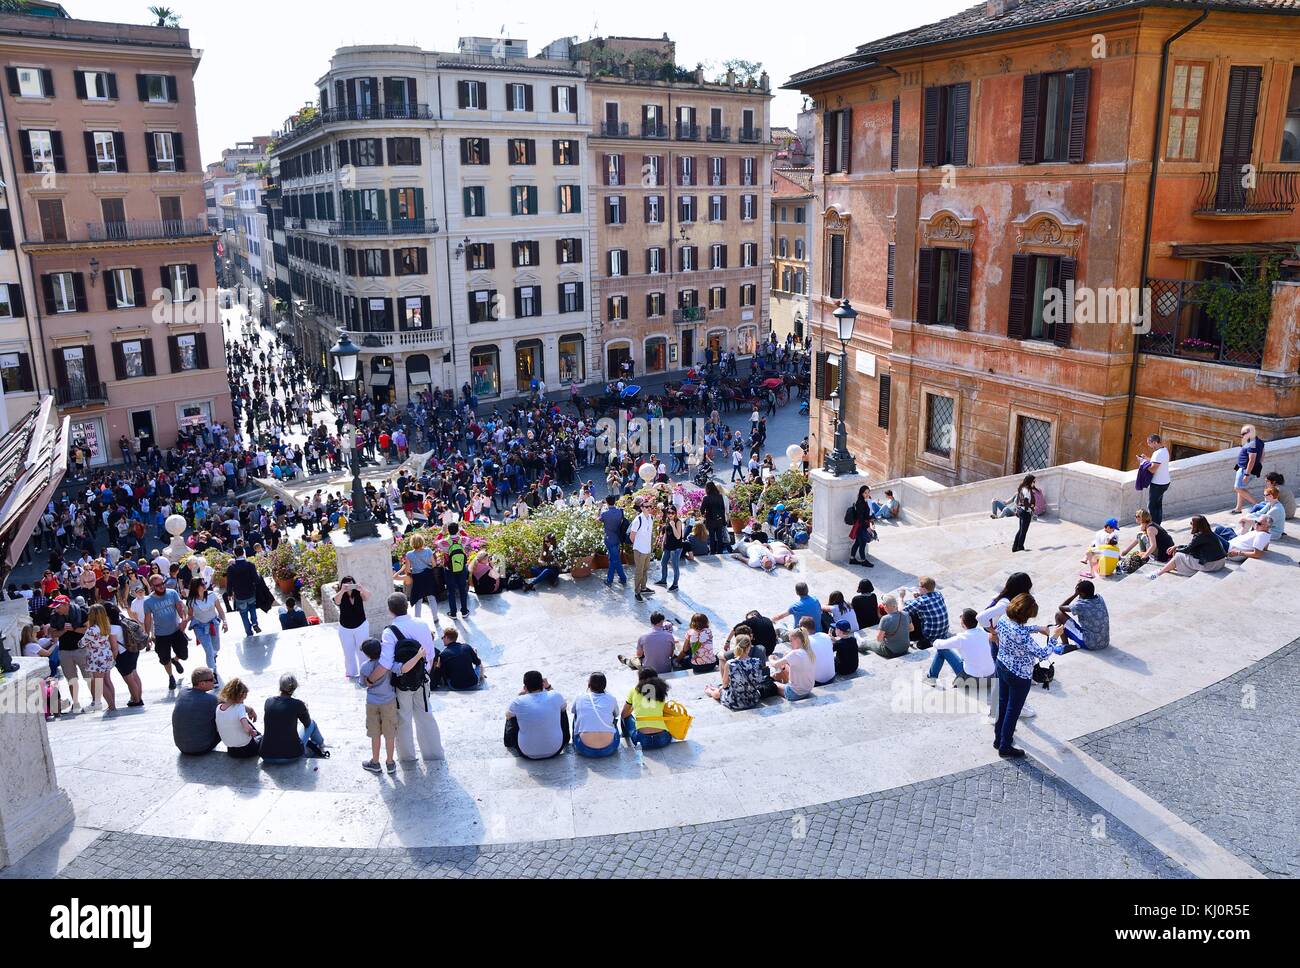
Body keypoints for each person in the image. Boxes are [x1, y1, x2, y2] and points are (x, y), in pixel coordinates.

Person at [378, 593, 445, 761]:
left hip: (401, 683)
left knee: (403, 720)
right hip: (422, 680)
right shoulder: (422, 624)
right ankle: (434, 754)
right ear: (407, 606)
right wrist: (424, 672)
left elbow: (386, 663)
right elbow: (429, 654)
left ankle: (407, 757)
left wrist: (371, 679)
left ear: (390, 610)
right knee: (426, 716)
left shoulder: (389, 632)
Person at [993, 594, 1055, 758]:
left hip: (1002, 665)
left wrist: (1036, 628)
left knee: (1003, 704)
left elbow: (1016, 630)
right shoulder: (1021, 634)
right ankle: (1005, 747)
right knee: (1013, 711)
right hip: (1019, 675)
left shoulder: (1004, 620)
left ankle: (998, 739)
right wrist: (1054, 638)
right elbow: (1043, 654)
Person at [260, 673, 327, 763]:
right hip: (290, 755)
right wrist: (304, 709)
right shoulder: (298, 704)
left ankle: (317, 745)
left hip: (266, 755)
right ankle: (321, 744)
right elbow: (307, 723)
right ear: (294, 688)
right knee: (312, 723)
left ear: (280, 686)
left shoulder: (268, 701)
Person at [505, 670, 569, 760]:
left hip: (526, 752)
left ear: (525, 687)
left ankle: (509, 743)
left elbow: (508, 715)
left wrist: (519, 695)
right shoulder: (555, 695)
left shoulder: (518, 701)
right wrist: (549, 687)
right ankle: (566, 739)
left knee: (511, 715)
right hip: (556, 749)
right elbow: (563, 706)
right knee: (561, 709)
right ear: (542, 684)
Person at [142, 573, 188, 692]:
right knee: (164, 658)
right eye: (158, 585)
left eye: (163, 583)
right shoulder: (148, 601)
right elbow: (148, 619)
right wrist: (147, 635)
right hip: (161, 635)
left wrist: (183, 620)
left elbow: (179, 607)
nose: (161, 586)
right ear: (152, 586)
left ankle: (176, 660)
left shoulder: (172, 593)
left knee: (184, 654)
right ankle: (171, 677)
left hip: (176, 630)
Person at [359, 639, 399, 774]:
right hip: (389, 701)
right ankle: (390, 763)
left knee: (375, 734)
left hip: (372, 703)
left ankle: (375, 762)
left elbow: (363, 684)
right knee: (389, 734)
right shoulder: (387, 663)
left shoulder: (365, 667)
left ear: (366, 654)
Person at [1149, 515, 1226, 580]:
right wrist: (1177, 546)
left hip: (1212, 565)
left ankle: (1159, 573)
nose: (1190, 525)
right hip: (1221, 562)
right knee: (1182, 555)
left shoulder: (1199, 535)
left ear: (1197, 525)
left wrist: (1176, 549)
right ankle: (1171, 567)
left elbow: (1188, 549)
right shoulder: (1209, 533)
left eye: (1191, 523)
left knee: (1178, 556)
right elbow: (1192, 546)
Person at [48, 595, 90, 713]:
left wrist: (73, 629)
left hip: (81, 649)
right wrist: (64, 630)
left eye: (58, 607)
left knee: (89, 677)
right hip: (64, 651)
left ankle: (95, 701)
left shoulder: (81, 612)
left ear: (66, 605)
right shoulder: (54, 617)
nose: (56, 610)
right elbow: (54, 634)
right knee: (71, 679)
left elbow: (88, 630)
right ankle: (75, 703)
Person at [706, 634, 765, 710]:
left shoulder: (730, 663)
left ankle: (710, 691)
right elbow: (759, 681)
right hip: (753, 700)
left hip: (735, 702)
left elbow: (725, 684)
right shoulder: (757, 661)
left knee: (719, 692)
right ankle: (713, 689)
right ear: (749, 647)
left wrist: (722, 687)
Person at [172, 667, 221, 755]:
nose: (214, 680)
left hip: (181, 747)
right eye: (211, 679)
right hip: (201, 748)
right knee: (229, 714)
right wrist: (248, 709)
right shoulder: (210, 699)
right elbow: (229, 706)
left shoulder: (182, 692)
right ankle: (247, 743)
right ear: (202, 683)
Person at [1051, 581, 1110, 654]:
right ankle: (1077, 644)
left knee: (1058, 615)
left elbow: (1061, 607)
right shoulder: (1100, 598)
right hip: (1104, 641)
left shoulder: (1080, 605)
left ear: (1081, 593)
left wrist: (1075, 594)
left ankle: (1065, 645)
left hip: (1090, 643)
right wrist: (1080, 591)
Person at [186, 578, 228, 680]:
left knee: (216, 647)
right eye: (202, 584)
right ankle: (213, 675)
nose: (205, 585)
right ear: (196, 587)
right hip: (199, 627)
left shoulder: (212, 595)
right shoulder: (191, 601)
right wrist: (183, 624)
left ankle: (213, 657)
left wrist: (225, 622)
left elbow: (220, 610)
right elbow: (190, 616)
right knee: (208, 650)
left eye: (205, 583)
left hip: (213, 624)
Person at [571, 673, 621, 757]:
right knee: (613, 719)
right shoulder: (611, 698)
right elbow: (617, 714)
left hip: (584, 749)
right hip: (609, 748)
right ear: (604, 685)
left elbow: (573, 711)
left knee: (576, 714)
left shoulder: (580, 697)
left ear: (589, 684)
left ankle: (574, 742)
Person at [621, 668, 673, 749]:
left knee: (627, 717)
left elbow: (624, 714)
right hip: (663, 740)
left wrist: (634, 708)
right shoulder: (661, 690)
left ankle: (625, 736)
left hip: (642, 742)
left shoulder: (634, 690)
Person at [81, 603, 117, 712]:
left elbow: (81, 643)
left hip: (97, 657)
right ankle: (112, 704)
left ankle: (111, 706)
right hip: (106, 655)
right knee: (107, 681)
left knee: (99, 683)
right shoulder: (106, 625)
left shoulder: (91, 630)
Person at [333, 577, 370, 679]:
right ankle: (351, 672)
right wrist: (342, 591)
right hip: (345, 628)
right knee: (348, 651)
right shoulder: (340, 595)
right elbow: (336, 601)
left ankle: (364, 671)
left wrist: (361, 588)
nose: (349, 585)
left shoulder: (358, 593)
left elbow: (367, 597)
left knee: (362, 650)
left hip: (361, 625)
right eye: (346, 583)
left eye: (351, 583)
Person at [1118, 509, 1175, 574]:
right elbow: (1138, 539)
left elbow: (1153, 545)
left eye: (1138, 516)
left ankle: (1145, 555)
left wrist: (1144, 556)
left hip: (1162, 554)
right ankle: (1126, 552)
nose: (1136, 517)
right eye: (1135, 516)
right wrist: (1125, 551)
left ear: (1143, 518)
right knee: (1140, 535)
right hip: (1165, 551)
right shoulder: (1148, 525)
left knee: (1141, 536)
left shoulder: (1150, 529)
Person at [215, 677, 261, 759]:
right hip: (248, 749)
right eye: (244, 698)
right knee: (262, 738)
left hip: (232, 752)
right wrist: (252, 731)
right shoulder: (239, 707)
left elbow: (218, 729)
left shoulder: (219, 708)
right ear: (240, 696)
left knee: (237, 720)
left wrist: (250, 710)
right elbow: (246, 729)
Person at [397, 534, 439, 621]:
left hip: (417, 578)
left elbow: (408, 570)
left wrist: (415, 567)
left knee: (418, 600)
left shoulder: (409, 554)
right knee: (431, 597)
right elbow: (434, 564)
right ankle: (435, 618)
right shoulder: (428, 551)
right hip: (428, 576)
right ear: (422, 541)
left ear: (412, 543)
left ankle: (418, 619)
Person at [901, 577, 950, 650]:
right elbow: (928, 601)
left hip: (929, 635)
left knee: (909, 614)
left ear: (924, 589)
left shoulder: (921, 601)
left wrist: (900, 598)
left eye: (919, 587)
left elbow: (902, 611)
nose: (918, 588)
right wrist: (919, 596)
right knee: (918, 611)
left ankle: (914, 638)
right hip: (943, 633)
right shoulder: (939, 594)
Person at [769, 627, 816, 701]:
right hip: (808, 689)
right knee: (785, 665)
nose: (790, 643)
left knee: (773, 684)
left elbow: (775, 664)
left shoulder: (794, 653)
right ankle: (783, 681)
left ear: (797, 639)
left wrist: (770, 658)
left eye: (791, 641)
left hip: (795, 693)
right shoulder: (809, 651)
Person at [224, 545, 262, 636]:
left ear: (234, 554)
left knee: (243, 614)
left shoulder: (231, 568)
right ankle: (255, 622)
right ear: (243, 553)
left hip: (239, 594)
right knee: (252, 608)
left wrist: (229, 593)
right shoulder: (250, 565)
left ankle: (249, 632)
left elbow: (229, 582)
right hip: (250, 592)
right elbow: (256, 580)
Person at [863, 593, 911, 659]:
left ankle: (857, 646)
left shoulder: (885, 618)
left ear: (885, 606)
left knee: (867, 643)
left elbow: (879, 639)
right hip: (905, 648)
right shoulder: (906, 614)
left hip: (890, 651)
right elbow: (911, 629)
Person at [1232, 424, 1265, 513]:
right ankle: (1238, 508)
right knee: (1241, 487)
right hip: (1246, 468)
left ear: (1250, 432)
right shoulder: (1259, 441)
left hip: (1245, 469)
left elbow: (1252, 459)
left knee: (1238, 488)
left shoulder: (1252, 444)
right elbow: (1262, 454)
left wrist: (1246, 474)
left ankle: (1259, 506)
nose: (1242, 436)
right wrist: (1260, 464)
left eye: (1243, 434)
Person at [1139, 434, 1172, 525]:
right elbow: (1156, 462)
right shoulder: (1164, 450)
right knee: (1158, 505)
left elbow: (1153, 469)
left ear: (1155, 442)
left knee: (1152, 506)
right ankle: (1158, 524)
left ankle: (1152, 525)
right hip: (1165, 482)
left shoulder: (1158, 453)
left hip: (1158, 483)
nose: (1149, 445)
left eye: (1149, 443)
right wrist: (1146, 459)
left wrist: (1143, 462)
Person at [628, 496, 655, 602]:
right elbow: (631, 536)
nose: (649, 508)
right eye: (646, 506)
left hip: (647, 549)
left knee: (645, 569)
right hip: (639, 550)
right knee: (639, 571)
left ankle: (643, 588)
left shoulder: (651, 518)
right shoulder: (638, 520)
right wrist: (638, 545)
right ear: (642, 508)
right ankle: (637, 591)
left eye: (650, 506)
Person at [599, 494, 628, 588]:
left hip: (609, 539)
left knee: (615, 560)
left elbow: (597, 520)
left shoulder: (604, 513)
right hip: (618, 538)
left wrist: (599, 508)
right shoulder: (620, 512)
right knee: (613, 559)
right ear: (614, 501)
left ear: (607, 502)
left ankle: (620, 578)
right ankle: (612, 579)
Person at [444, 522, 471, 619]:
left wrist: (442, 532)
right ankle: (464, 612)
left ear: (448, 530)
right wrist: (462, 531)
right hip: (461, 568)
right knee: (462, 590)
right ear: (457, 530)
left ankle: (453, 613)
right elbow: (468, 537)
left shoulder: (445, 542)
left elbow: (436, 542)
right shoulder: (462, 540)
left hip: (449, 569)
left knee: (451, 591)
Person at [655, 505, 685, 591]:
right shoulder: (668, 520)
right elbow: (666, 533)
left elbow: (678, 536)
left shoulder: (678, 522)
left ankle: (675, 584)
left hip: (676, 547)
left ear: (675, 513)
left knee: (675, 566)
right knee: (663, 562)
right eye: (669, 513)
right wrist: (663, 544)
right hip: (668, 546)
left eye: (672, 513)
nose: (670, 514)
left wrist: (673, 526)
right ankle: (663, 580)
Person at [848, 485, 877, 567]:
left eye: (868, 492)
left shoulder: (865, 501)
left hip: (862, 525)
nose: (867, 494)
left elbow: (866, 514)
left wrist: (871, 519)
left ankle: (852, 559)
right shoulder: (860, 503)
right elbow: (861, 518)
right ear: (861, 493)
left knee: (857, 543)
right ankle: (863, 561)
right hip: (861, 526)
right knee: (862, 544)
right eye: (865, 493)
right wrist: (867, 527)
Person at [701, 481, 729, 555]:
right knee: (719, 536)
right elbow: (723, 509)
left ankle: (713, 551)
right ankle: (720, 551)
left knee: (712, 536)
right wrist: (724, 520)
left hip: (710, 519)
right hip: (719, 519)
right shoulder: (720, 496)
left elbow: (702, 510)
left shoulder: (706, 498)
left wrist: (704, 514)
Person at [1011, 475, 1036, 553]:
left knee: (1021, 530)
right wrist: (1031, 506)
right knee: (1023, 531)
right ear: (1030, 481)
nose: (1034, 483)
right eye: (1034, 481)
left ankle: (1015, 547)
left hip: (1021, 511)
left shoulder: (1022, 488)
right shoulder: (1026, 490)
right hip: (1025, 512)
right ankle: (1020, 547)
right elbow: (1025, 502)